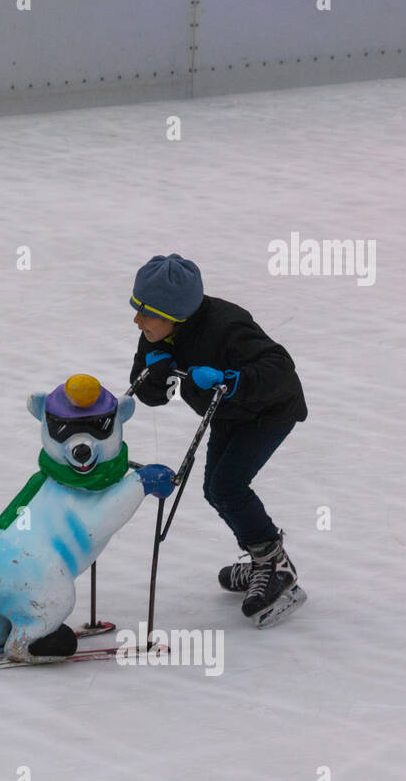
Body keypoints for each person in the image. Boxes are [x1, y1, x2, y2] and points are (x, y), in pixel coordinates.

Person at [127, 253, 307, 623]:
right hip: (228, 415)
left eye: (145, 311)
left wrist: (233, 379)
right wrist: (156, 373)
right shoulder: (155, 335)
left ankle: (275, 565)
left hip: (269, 412)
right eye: (136, 308)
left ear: (176, 314)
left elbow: (280, 370)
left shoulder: (227, 326)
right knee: (215, 489)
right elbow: (147, 393)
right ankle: (264, 560)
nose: (137, 319)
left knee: (228, 486)